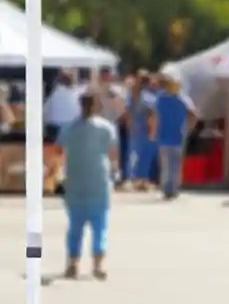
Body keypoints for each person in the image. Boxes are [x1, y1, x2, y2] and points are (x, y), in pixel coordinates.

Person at [58, 94, 117, 280]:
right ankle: (98, 265)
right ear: (97, 106)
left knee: (75, 227)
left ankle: (73, 264)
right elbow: (112, 154)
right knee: (100, 227)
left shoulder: (69, 128)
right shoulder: (106, 128)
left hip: (75, 181)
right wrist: (114, 174)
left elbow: (58, 152)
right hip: (98, 181)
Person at [154, 76, 197, 200]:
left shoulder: (160, 98)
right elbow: (194, 114)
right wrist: (189, 128)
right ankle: (174, 188)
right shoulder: (183, 99)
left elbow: (155, 115)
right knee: (176, 163)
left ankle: (167, 189)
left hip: (163, 134)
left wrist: (154, 130)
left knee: (166, 163)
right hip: (179, 135)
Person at [124, 72, 158, 190]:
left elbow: (127, 113)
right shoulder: (150, 97)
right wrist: (152, 131)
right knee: (145, 156)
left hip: (136, 129)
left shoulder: (132, 95)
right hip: (145, 130)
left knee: (134, 155)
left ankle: (133, 179)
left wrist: (129, 125)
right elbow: (152, 115)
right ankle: (142, 180)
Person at [44, 71, 80, 140]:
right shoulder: (73, 94)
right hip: (69, 127)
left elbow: (44, 111)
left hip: (53, 128)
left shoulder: (54, 94)